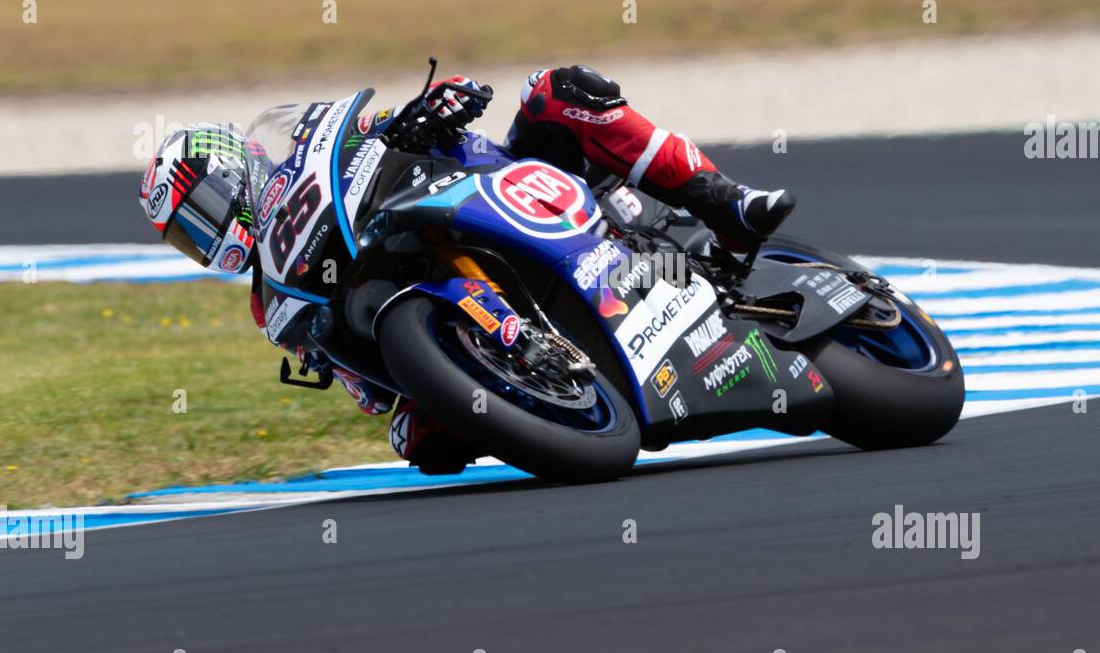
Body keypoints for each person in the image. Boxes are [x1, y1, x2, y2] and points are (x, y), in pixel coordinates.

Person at [140, 65, 796, 471]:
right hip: (434, 288)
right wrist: (399, 405)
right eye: (188, 237)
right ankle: (542, 383)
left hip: (504, 188)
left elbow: (379, 121)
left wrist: (435, 105)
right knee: (421, 443)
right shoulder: (273, 303)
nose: (208, 235)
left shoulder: (307, 153)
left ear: (233, 170)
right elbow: (355, 379)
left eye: (202, 211)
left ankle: (727, 204)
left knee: (557, 91)